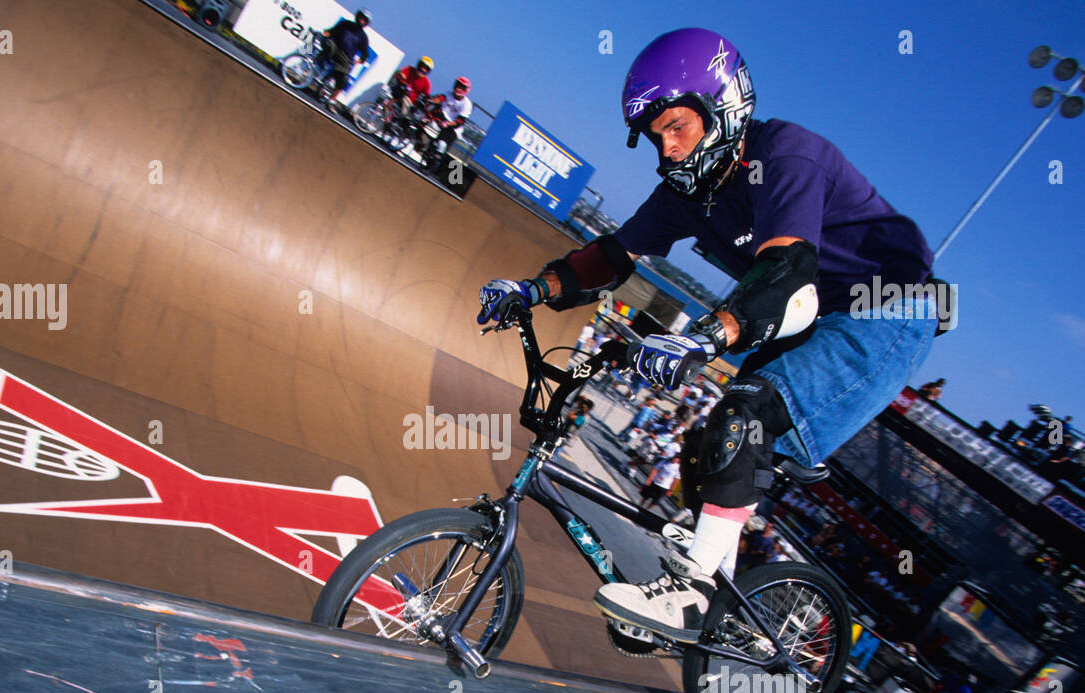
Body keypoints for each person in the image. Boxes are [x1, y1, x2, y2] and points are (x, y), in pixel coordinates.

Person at [476, 27, 938, 639]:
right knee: (707, 447)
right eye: (653, 137)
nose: (665, 152)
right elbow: (615, 255)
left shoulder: (787, 156)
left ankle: (693, 594)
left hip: (886, 311)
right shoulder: (688, 191)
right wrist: (534, 290)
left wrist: (700, 338)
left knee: (744, 415)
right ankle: (710, 583)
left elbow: (789, 276)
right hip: (807, 309)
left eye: (677, 129)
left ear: (722, 111)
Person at [318, 10, 372, 105]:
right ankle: (310, 72)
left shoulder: (363, 37)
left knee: (344, 79)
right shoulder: (346, 24)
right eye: (360, 17)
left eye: (364, 19)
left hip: (345, 57)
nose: (361, 20)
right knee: (327, 45)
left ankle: (332, 100)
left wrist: (356, 62)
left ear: (366, 23)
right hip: (335, 47)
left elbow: (364, 56)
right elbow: (331, 31)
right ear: (357, 16)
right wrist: (324, 34)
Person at [424, 76, 473, 171]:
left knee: (442, 143)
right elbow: (440, 98)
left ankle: (436, 161)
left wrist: (447, 124)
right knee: (427, 117)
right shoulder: (448, 94)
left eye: (462, 87)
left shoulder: (467, 104)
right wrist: (430, 101)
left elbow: (459, 122)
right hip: (443, 118)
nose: (458, 88)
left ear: (465, 90)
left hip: (454, 127)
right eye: (457, 85)